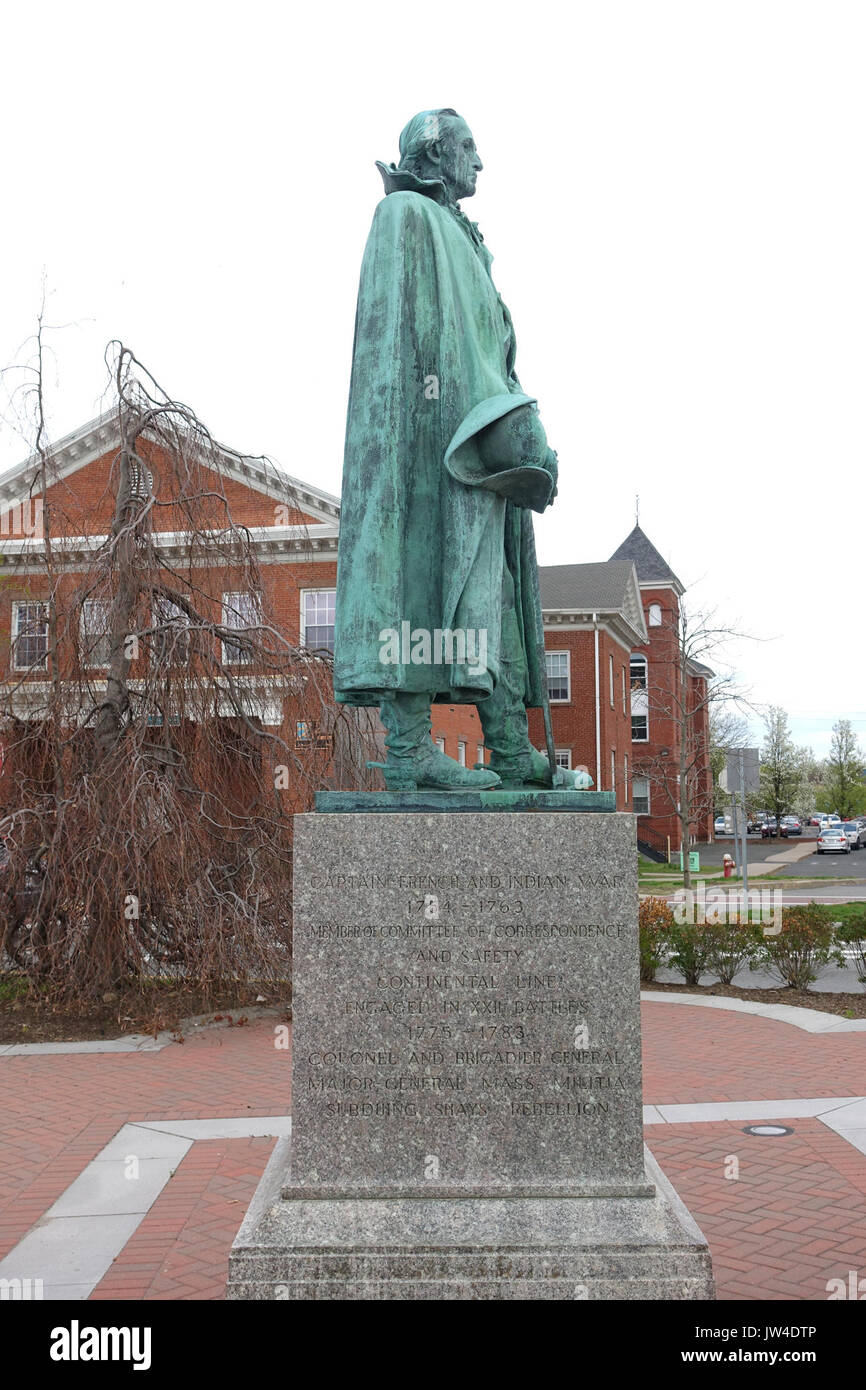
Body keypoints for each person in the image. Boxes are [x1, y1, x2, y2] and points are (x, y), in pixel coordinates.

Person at [334, 108, 589, 792]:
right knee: (416, 588)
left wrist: (522, 440)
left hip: (477, 451)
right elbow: (389, 347)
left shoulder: (466, 239)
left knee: (496, 595)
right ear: (433, 153)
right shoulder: (404, 219)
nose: (481, 162)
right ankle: (411, 747)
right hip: (422, 450)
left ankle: (508, 748)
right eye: (469, 148)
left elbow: (487, 357)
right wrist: (412, 443)